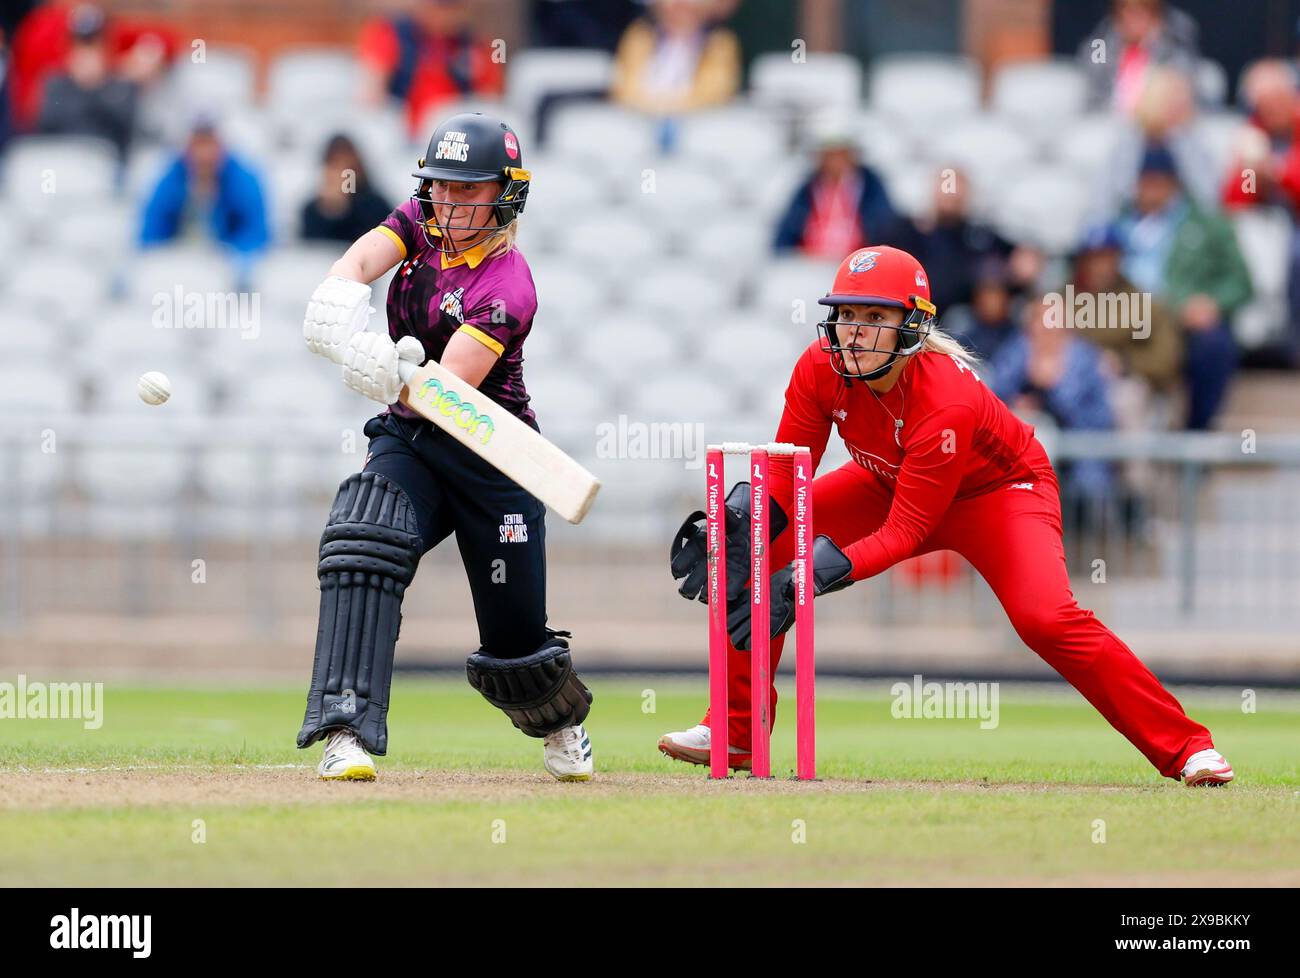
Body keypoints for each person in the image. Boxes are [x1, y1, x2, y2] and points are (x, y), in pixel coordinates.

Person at [661, 245, 1233, 787]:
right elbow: (788, 474)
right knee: (756, 550)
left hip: (999, 494)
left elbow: (907, 531)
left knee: (1046, 620)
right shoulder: (819, 366)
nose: (854, 331)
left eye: (873, 316)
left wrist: (811, 577)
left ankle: (1187, 747)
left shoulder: (944, 398)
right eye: (846, 314)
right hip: (890, 478)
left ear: (913, 326)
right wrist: (739, 517)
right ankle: (736, 734)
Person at [298, 111, 594, 782]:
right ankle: (344, 731)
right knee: (361, 537)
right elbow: (361, 260)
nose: (450, 202)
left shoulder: (507, 285)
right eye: (441, 187)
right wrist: (337, 295)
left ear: (504, 195)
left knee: (516, 647)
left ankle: (561, 725)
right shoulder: (419, 220)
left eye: (469, 190)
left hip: (493, 457)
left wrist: (383, 369)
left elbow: (446, 391)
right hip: (412, 443)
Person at [1114, 145, 1252, 429]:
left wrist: (1213, 303)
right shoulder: (1118, 222)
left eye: (1158, 181)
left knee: (1213, 345)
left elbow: (1241, 281)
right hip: (1121, 319)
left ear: (1174, 183)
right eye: (1145, 181)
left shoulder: (1206, 224)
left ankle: (1196, 434)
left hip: (1178, 319)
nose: (1151, 190)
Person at [139, 114, 270, 283]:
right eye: (198, 145)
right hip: (177, 269)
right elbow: (151, 230)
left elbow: (255, 232)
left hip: (226, 269)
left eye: (209, 145)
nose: (204, 154)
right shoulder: (170, 179)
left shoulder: (244, 180)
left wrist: (235, 260)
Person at [357, 0, 504, 138]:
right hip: (404, 139)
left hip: (458, 138)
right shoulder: (391, 34)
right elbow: (371, 96)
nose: (443, 14)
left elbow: (490, 101)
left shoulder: (474, 45)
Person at [887, 167, 1012, 311]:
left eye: (956, 198)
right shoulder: (907, 232)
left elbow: (1014, 254)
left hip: (963, 318)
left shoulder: (978, 237)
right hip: (915, 311)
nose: (950, 201)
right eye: (946, 196)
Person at [773, 118, 897, 259]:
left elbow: (887, 230)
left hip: (860, 265)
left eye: (841, 154)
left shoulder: (871, 188)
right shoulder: (806, 190)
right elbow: (784, 236)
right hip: (811, 266)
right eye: (830, 155)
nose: (835, 162)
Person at [35, 4, 137, 158]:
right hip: (61, 161)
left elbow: (124, 131)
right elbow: (46, 126)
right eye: (79, 45)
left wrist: (94, 86)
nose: (85, 53)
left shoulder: (122, 85)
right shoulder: (55, 83)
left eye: (93, 45)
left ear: (107, 48)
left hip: (106, 165)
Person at [609, 0, 739, 117]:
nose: (680, 12)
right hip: (639, 123)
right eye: (675, 6)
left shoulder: (719, 43)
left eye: (687, 8)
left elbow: (715, 94)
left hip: (698, 125)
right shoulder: (640, 36)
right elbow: (623, 88)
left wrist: (667, 108)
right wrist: (656, 108)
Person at [1077, 0, 1199, 114]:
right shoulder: (1103, 41)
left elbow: (1182, 79)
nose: (1132, 21)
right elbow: (1094, 79)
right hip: (1110, 118)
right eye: (1126, 13)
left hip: (1159, 122)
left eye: (1141, 14)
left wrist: (1154, 42)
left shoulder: (1175, 40)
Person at [300, 133, 393, 244]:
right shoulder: (312, 210)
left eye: (346, 166)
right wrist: (330, 210)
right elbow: (311, 247)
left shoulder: (376, 206)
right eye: (334, 165)